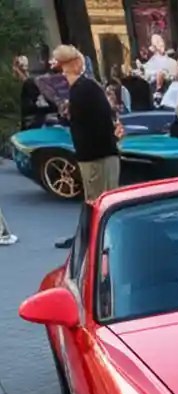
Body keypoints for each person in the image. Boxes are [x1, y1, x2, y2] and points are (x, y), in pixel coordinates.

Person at [51, 45, 123, 250]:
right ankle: (92, 240)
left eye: (61, 66)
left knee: (100, 200)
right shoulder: (83, 88)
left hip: (97, 154)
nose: (60, 72)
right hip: (96, 153)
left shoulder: (84, 89)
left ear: (69, 66)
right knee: (98, 199)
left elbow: (98, 121)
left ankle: (98, 243)